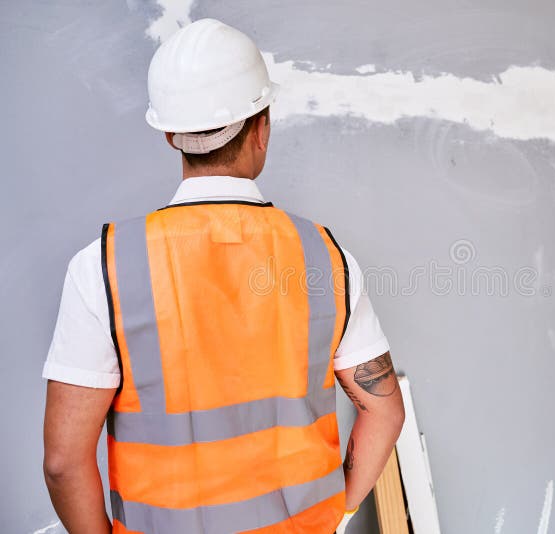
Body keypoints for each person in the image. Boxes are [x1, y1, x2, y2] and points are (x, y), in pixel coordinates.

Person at [41, 18, 405, 534]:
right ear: (263, 126)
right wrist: (337, 511)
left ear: (170, 134)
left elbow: (62, 462)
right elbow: (385, 413)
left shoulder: (103, 267)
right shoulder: (326, 256)